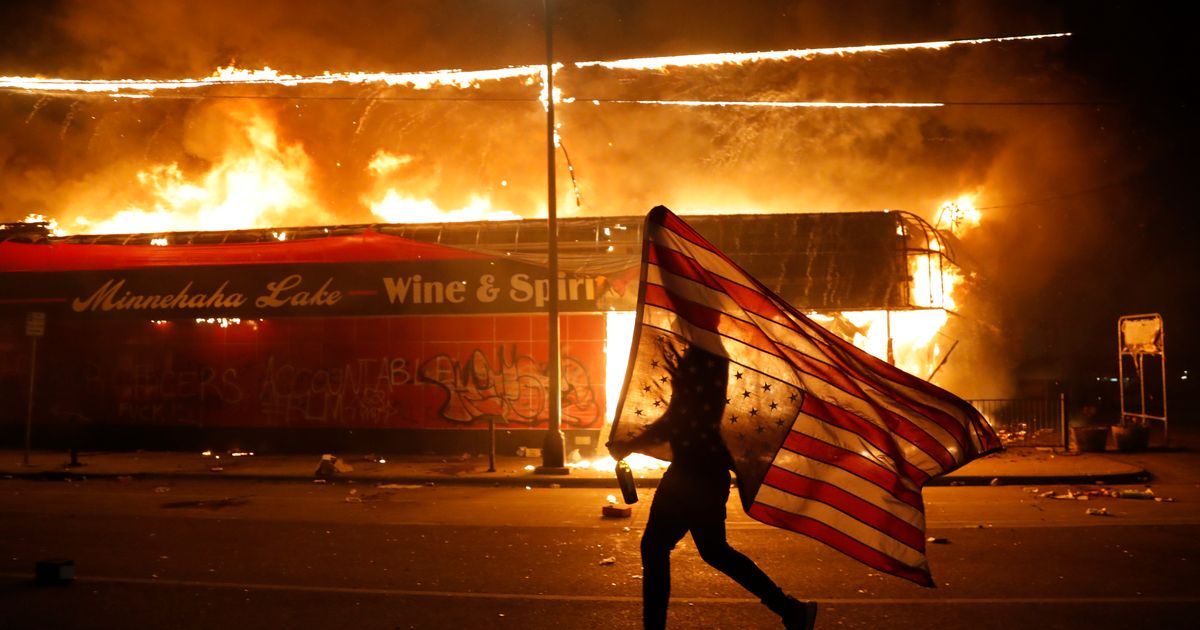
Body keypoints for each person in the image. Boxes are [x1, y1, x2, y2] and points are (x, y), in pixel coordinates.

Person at [608, 344, 818, 630]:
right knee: (712, 550)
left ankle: (789, 609)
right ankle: (790, 610)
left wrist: (630, 445)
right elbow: (680, 416)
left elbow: (680, 418)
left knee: (658, 547)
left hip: (695, 472)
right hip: (702, 470)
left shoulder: (705, 355)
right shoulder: (705, 352)